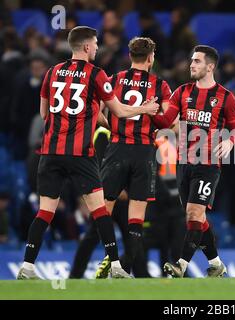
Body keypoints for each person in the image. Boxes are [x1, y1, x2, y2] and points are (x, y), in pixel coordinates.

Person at [17, 26, 159, 280]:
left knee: (45, 212)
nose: (96, 48)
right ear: (85, 47)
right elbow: (120, 111)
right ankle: (116, 266)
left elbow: (44, 113)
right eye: (94, 44)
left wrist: (67, 126)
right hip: (80, 154)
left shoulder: (52, 72)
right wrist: (146, 108)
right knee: (100, 212)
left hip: (49, 153)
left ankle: (27, 267)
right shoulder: (96, 74)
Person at [152, 45, 235, 277]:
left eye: (197, 61)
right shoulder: (181, 92)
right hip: (184, 163)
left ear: (210, 66)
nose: (191, 64)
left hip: (209, 163)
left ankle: (180, 265)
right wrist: (149, 110)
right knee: (197, 218)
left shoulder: (225, 97)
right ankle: (216, 264)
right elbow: (165, 121)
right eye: (192, 61)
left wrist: (231, 142)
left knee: (194, 213)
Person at [93, 36, 172, 278]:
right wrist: (154, 123)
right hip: (144, 151)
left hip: (116, 148)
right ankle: (123, 266)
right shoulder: (161, 86)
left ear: (130, 56)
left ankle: (111, 257)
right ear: (151, 58)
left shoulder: (113, 80)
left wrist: (111, 124)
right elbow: (169, 121)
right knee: (137, 217)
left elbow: (95, 112)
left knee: (102, 210)